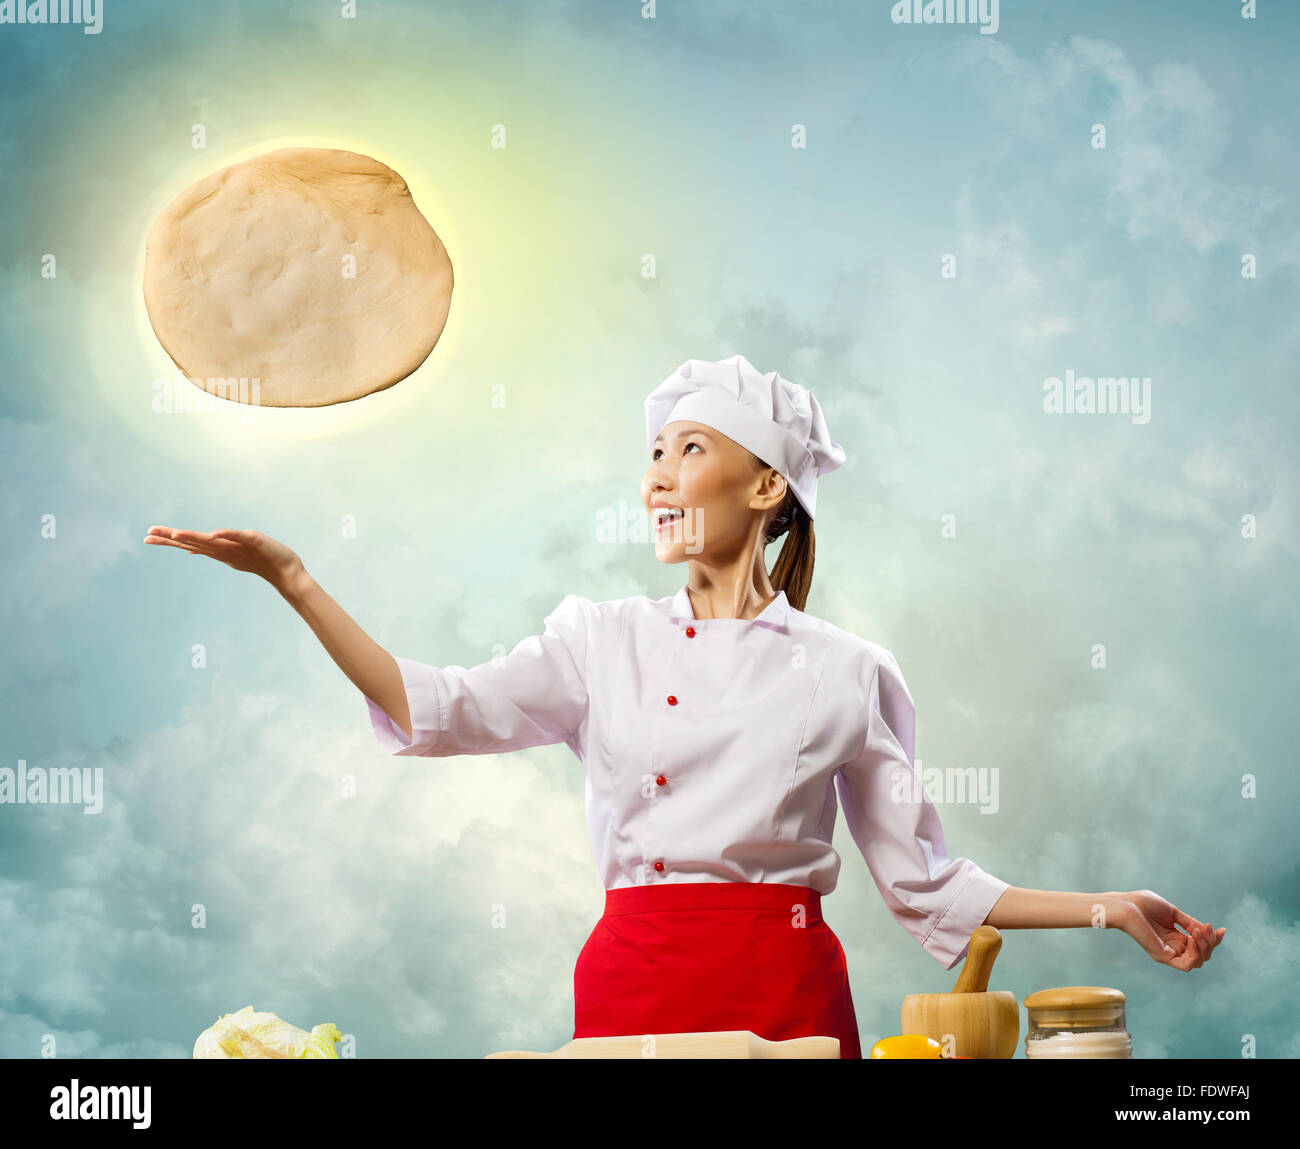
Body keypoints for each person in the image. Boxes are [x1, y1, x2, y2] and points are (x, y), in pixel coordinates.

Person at [144, 354, 1225, 1059]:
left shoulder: (850, 671)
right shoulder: (594, 638)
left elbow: (927, 882)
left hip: (785, 993)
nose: (657, 477)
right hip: (633, 989)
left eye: (688, 450)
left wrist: (1110, 906)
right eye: (652, 456)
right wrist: (294, 582)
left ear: (767, 490)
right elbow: (434, 708)